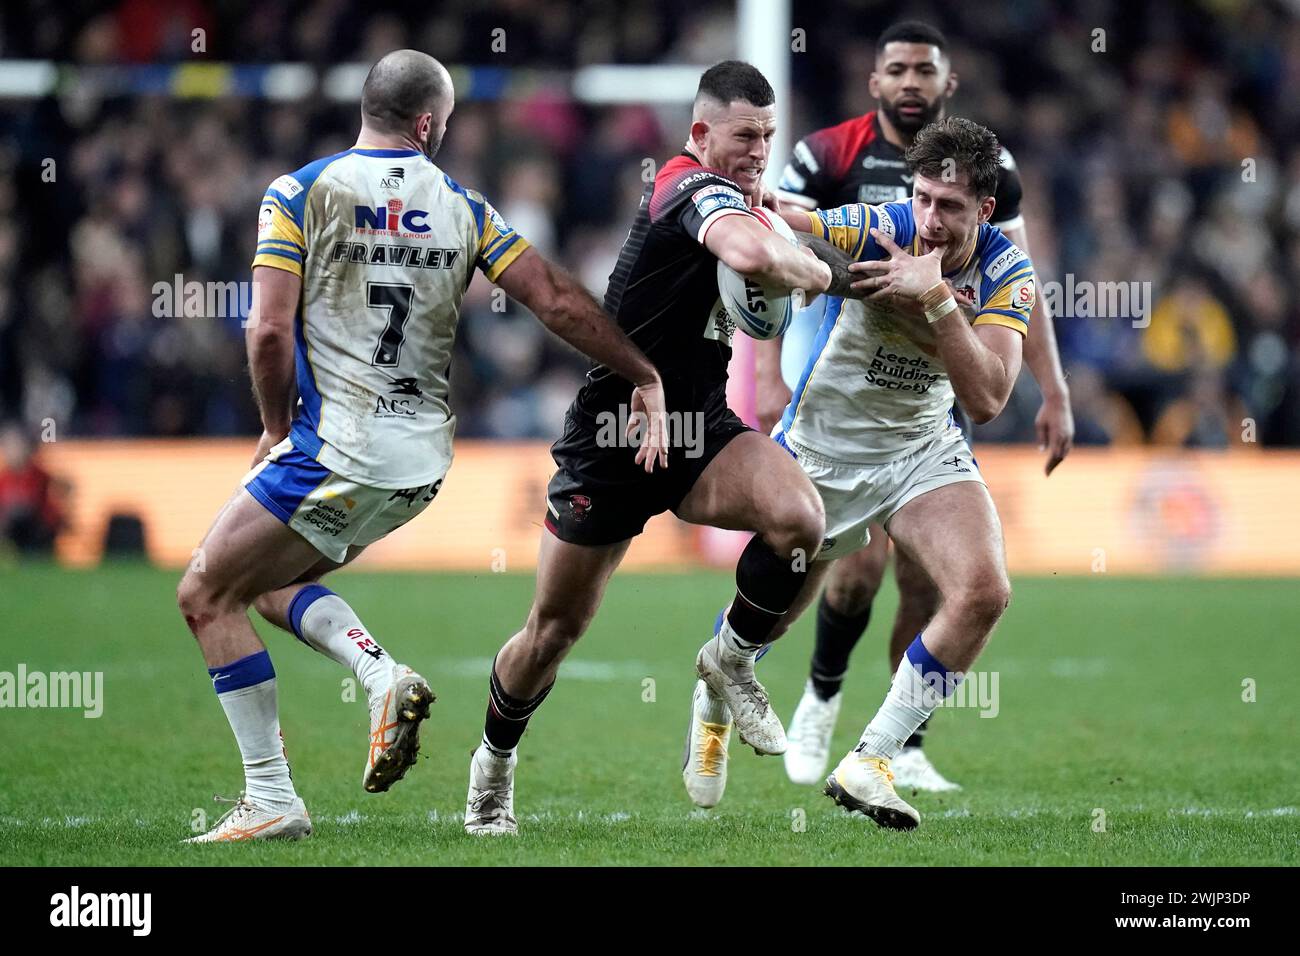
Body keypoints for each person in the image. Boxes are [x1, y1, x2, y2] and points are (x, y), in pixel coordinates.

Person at [176, 49, 669, 843]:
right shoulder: (465, 206)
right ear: (429, 124)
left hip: (334, 446)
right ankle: (378, 674)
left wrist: (273, 428)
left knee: (203, 594)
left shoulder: (301, 192)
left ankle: (271, 796)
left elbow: (267, 328)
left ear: (367, 107)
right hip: (422, 462)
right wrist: (641, 369)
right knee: (263, 586)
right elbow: (552, 297)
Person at [462, 61, 862, 836]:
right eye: (745, 135)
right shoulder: (687, 186)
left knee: (803, 520)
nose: (758, 150)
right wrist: (811, 267)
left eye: (769, 137)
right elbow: (749, 257)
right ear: (701, 133)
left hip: (696, 429)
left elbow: (800, 258)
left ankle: (729, 661)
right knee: (553, 632)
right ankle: (494, 766)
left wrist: (896, 283)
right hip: (614, 437)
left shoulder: (753, 203)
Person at [683, 21, 1073, 807]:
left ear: (985, 208)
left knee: (984, 591)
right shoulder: (883, 227)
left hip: (923, 452)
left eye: (950, 207)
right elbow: (800, 222)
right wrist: (745, 200)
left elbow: (990, 398)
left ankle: (872, 759)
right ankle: (715, 683)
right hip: (825, 452)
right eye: (923, 199)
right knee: (771, 624)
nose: (929, 220)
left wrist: (935, 305)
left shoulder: (1009, 274)